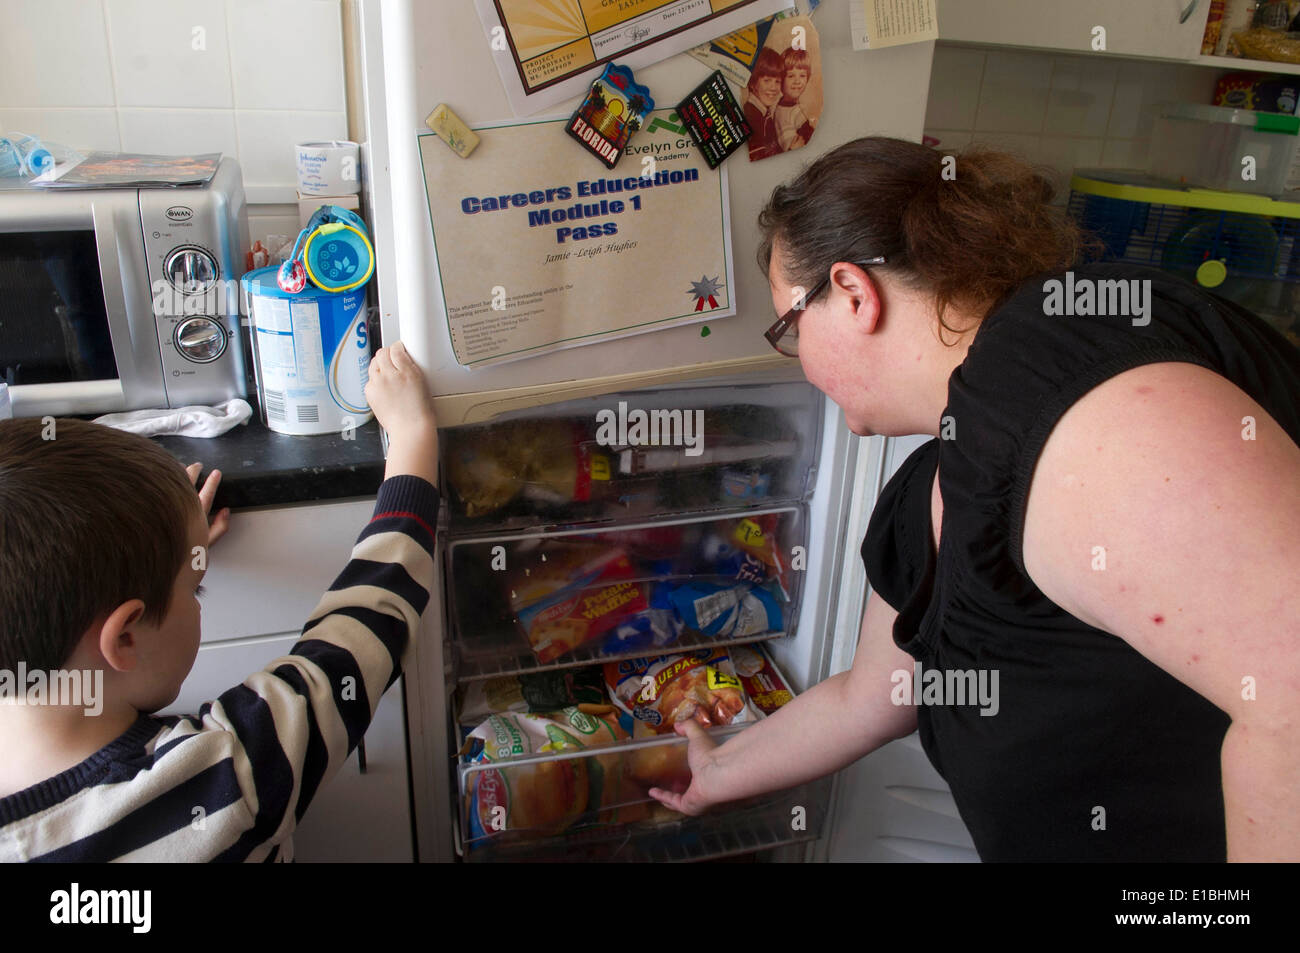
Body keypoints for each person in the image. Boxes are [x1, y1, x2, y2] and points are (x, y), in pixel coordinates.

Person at [649, 137, 1300, 862]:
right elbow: (871, 699)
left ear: (854, 293)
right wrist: (717, 771)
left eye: (789, 328)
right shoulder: (946, 470)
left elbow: (1290, 694)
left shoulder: (1055, 383)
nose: (797, 361)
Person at [0, 341, 439, 862]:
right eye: (195, 587)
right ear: (124, 635)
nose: (198, 595)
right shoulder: (229, 779)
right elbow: (366, 624)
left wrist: (159, 559)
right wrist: (413, 435)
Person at [743, 47, 783, 161]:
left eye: (777, 81)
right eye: (767, 80)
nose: (773, 88)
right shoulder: (751, 117)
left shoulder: (766, 115)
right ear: (753, 83)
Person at [773, 47, 816, 152]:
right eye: (791, 76)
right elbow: (792, 149)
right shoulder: (783, 114)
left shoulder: (792, 106)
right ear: (781, 80)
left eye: (802, 75)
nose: (797, 81)